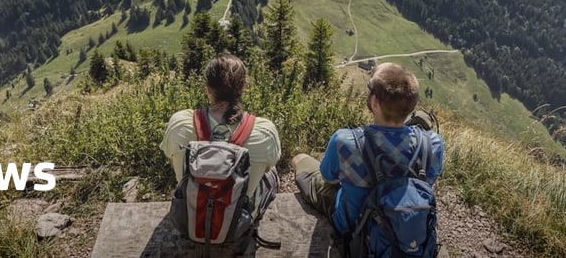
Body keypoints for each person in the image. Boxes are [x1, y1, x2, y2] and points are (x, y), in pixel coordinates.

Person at [291, 62, 445, 237]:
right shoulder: (432, 144)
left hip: (354, 228)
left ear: (375, 102)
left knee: (301, 160)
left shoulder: (345, 141)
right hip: (408, 230)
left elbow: (329, 178)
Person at [161, 52, 281, 214]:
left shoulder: (179, 122)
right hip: (237, 224)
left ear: (207, 87)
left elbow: (171, 161)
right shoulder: (265, 131)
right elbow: (266, 169)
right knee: (271, 171)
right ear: (244, 86)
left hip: (190, 218)